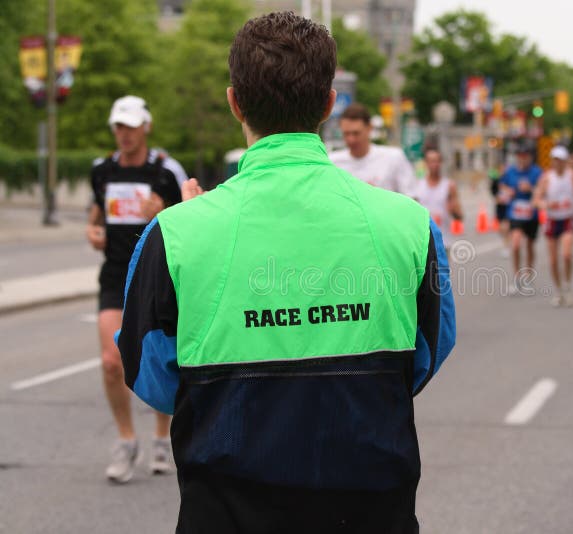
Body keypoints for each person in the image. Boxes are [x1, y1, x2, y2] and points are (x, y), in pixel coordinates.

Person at [117, 12, 455, 533]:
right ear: (328, 104)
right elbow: (424, 358)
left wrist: (194, 221)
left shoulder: (175, 234)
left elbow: (152, 378)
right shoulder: (410, 225)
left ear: (235, 103)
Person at [86, 95, 190, 483]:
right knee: (112, 360)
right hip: (115, 275)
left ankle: (163, 438)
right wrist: (92, 230)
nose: (123, 134)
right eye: (118, 127)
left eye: (130, 126)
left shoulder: (166, 170)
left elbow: (193, 217)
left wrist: (163, 214)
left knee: (160, 355)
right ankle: (126, 441)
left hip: (156, 274)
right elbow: (96, 211)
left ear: (145, 126)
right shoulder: (102, 170)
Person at [534, 145, 573, 307]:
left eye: (560, 160)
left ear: (565, 161)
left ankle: (568, 286)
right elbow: (536, 199)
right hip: (552, 220)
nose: (557, 163)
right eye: (555, 160)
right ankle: (558, 291)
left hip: (568, 219)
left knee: (567, 254)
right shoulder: (546, 178)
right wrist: (545, 204)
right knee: (553, 261)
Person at [329, 102, 416, 195]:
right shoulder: (333, 162)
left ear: (369, 128)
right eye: (346, 134)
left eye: (356, 133)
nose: (351, 139)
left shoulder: (394, 157)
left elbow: (412, 198)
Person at [499, 140, 543, 292]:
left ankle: (528, 276)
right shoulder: (510, 171)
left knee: (530, 245)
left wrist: (530, 189)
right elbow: (502, 186)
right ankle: (517, 277)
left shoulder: (537, 172)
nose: (522, 158)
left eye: (525, 155)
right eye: (520, 155)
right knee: (516, 244)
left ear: (530, 157)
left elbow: (542, 190)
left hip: (531, 214)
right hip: (515, 213)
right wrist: (508, 191)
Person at [413, 147, 462, 249]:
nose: (434, 164)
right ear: (426, 163)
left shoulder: (449, 185)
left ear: (441, 163)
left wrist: (453, 210)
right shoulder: (417, 185)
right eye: (431, 161)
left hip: (443, 241)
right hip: (423, 242)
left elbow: (459, 216)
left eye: (437, 161)